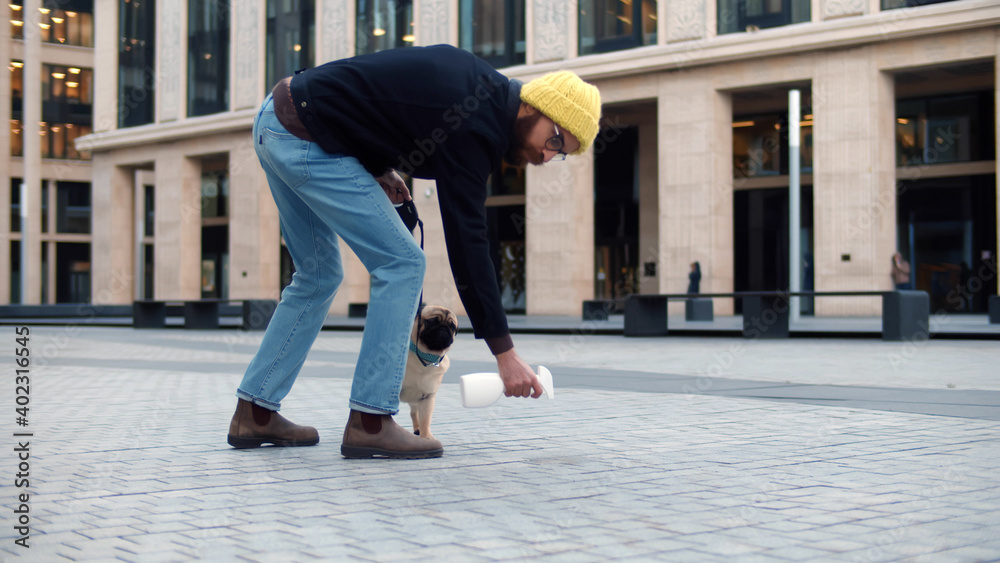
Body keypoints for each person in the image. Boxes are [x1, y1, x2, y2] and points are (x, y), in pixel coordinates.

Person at [227, 45, 602, 459]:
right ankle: (371, 421)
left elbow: (375, 97)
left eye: (560, 153)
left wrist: (379, 168)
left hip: (278, 119)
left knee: (318, 277)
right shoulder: (478, 124)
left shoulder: (477, 90)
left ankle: (255, 413)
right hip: (303, 135)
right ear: (537, 108)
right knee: (402, 262)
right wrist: (505, 354)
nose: (548, 156)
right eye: (554, 140)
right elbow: (468, 242)